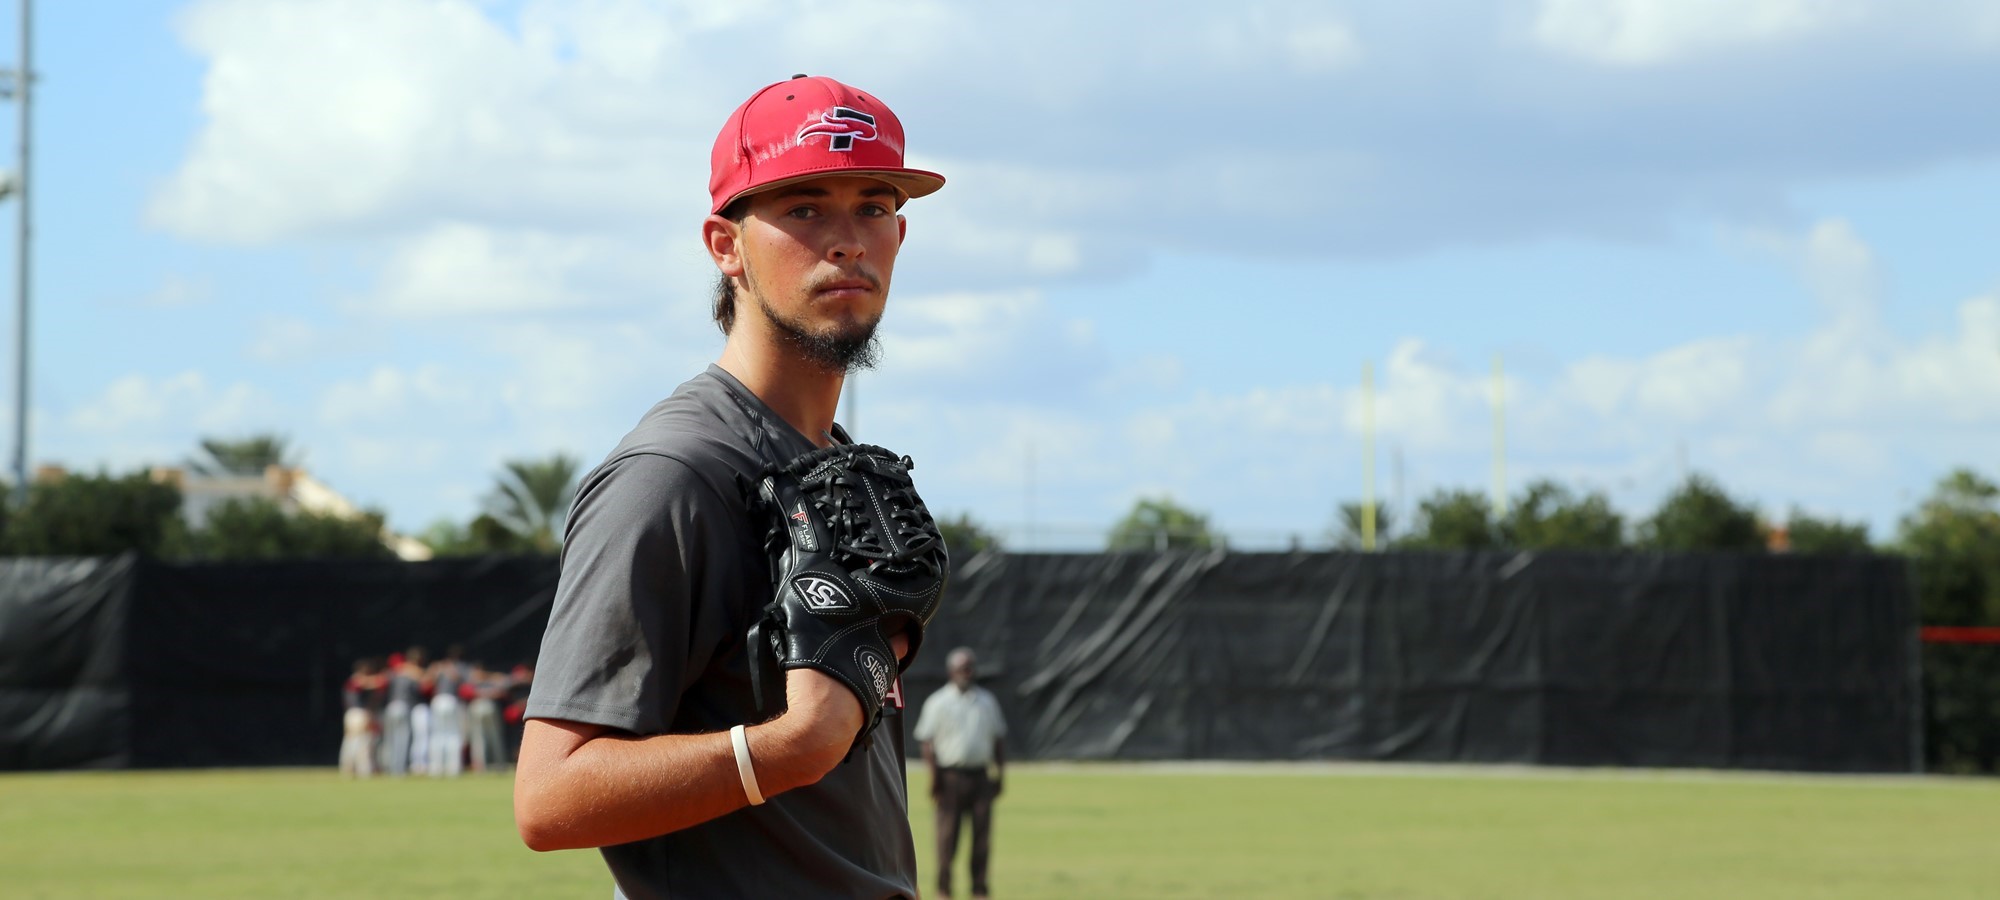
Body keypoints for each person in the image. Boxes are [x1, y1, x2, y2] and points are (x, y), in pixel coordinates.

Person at [513, 73, 945, 899]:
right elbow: (549, 797)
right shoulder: (674, 475)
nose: (848, 239)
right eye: (805, 208)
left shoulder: (835, 466)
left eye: (875, 204)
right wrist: (790, 746)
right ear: (726, 246)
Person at [914, 648, 1008, 900]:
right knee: (946, 837)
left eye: (970, 667)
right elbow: (926, 741)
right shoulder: (938, 702)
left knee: (982, 837)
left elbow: (998, 739)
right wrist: (934, 777)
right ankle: (944, 889)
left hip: (980, 776)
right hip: (950, 777)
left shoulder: (986, 701)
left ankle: (979, 889)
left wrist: (1000, 774)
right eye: (962, 668)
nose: (967, 672)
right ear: (951, 671)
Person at [338, 657, 387, 778]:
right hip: (358, 713)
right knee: (361, 742)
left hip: (353, 713)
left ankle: (351, 768)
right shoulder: (357, 679)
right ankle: (361, 769)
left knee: (354, 742)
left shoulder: (353, 681)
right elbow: (373, 682)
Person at [428, 644, 471, 777]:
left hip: (439, 701)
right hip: (451, 701)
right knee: (453, 734)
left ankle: (436, 768)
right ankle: (453, 768)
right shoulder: (460, 667)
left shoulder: (441, 666)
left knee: (438, 734)